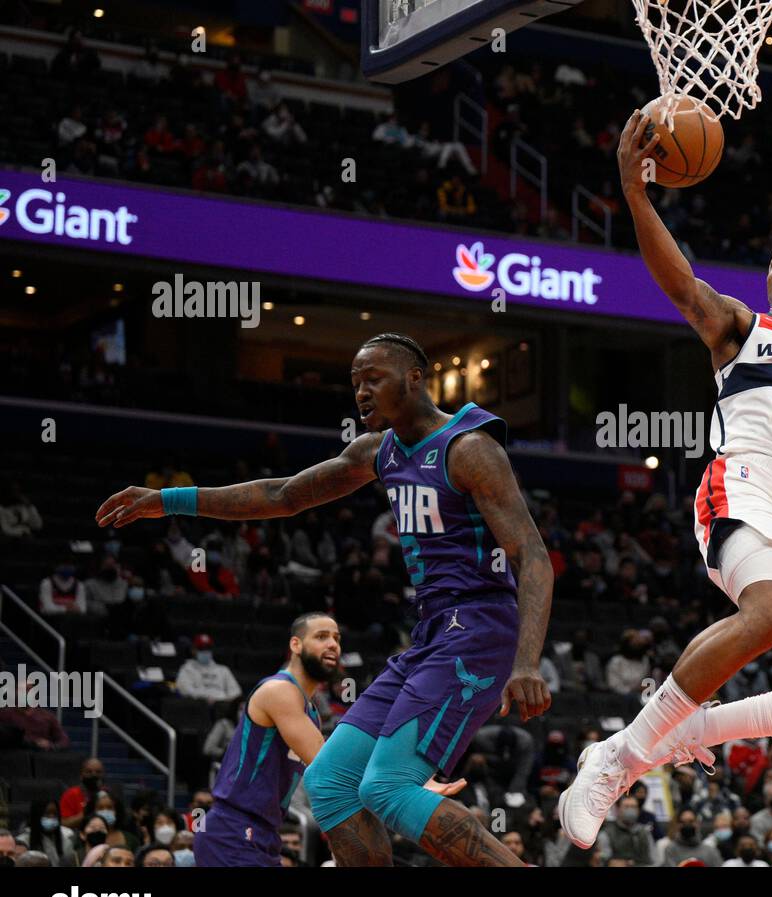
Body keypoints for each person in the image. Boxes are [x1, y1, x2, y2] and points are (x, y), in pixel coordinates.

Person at [560, 111, 772, 848]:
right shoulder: (740, 327)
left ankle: (690, 727)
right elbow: (679, 283)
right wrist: (636, 192)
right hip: (744, 477)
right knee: (770, 612)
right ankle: (620, 755)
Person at [98, 332, 552, 867]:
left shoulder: (470, 448)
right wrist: (168, 501)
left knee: (388, 787)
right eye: (355, 383)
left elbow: (533, 558)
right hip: (433, 631)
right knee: (331, 783)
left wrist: (527, 662)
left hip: (479, 629)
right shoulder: (378, 451)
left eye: (373, 379)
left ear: (414, 378)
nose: (361, 393)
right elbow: (283, 495)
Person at [193, 613, 337, 866]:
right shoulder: (279, 690)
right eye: (321, 636)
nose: (333, 644)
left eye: (337, 638)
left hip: (264, 832)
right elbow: (329, 766)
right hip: (234, 828)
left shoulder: (310, 712)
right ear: (296, 645)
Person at [175, 634, 241, 705]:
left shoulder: (223, 670)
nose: (205, 651)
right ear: (193, 650)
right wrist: (204, 697)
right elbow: (184, 689)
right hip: (197, 706)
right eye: (201, 648)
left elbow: (236, 691)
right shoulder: (187, 669)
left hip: (221, 706)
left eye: (207, 648)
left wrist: (222, 700)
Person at [656, 808, 721, 866]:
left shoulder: (709, 851)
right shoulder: (670, 850)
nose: (687, 825)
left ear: (697, 823)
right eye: (683, 822)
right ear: (678, 825)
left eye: (691, 821)